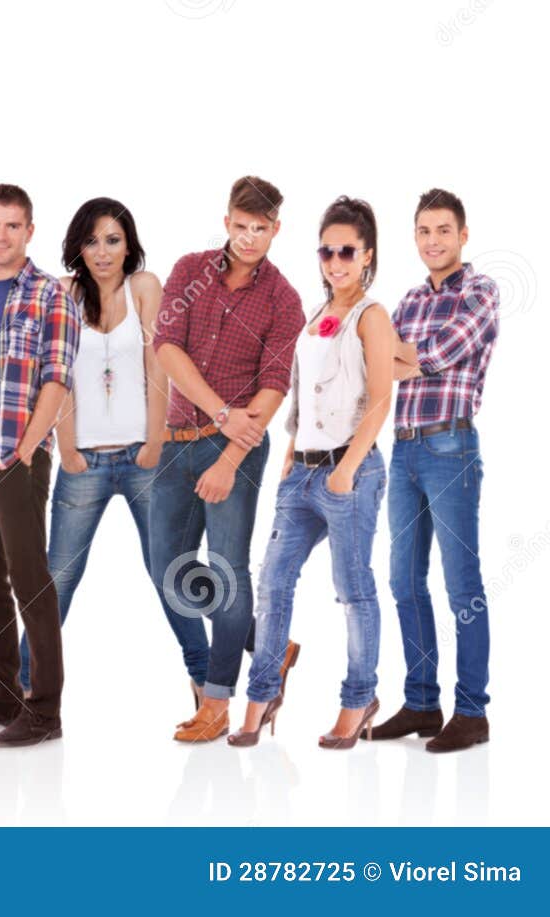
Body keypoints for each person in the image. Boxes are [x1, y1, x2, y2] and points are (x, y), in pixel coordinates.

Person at [231, 197, 393, 749]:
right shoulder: (313, 315)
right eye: (327, 250)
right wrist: (288, 458)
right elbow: (300, 393)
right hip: (300, 474)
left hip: (350, 472)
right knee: (273, 585)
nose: (335, 261)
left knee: (352, 589)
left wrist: (347, 469)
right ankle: (261, 694)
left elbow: (380, 399)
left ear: (366, 254)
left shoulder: (371, 316)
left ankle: (359, 699)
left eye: (347, 250)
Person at [151, 176, 305, 743]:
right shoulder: (190, 270)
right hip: (180, 438)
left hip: (236, 449)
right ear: (227, 221)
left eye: (259, 229)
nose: (248, 238)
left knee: (228, 571)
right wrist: (218, 413)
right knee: (167, 567)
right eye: (240, 226)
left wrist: (230, 457)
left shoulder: (283, 299)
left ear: (275, 230)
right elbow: (167, 347)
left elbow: (272, 387)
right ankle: (269, 645)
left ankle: (216, 704)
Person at [31, 198, 179, 699]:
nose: (102, 251)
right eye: (92, 241)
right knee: (57, 580)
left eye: (112, 240)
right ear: (78, 246)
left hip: (143, 456)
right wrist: (66, 447)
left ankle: (209, 681)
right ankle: (26, 688)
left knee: (169, 572)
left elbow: (158, 366)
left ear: (128, 244)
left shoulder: (145, 287)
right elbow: (60, 373)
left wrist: (156, 440)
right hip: (84, 461)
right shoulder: (66, 293)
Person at [0, 184, 79, 748]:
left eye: (12, 226)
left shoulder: (51, 294)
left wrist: (27, 447)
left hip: (16, 455)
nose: (1, 236)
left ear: (29, 231)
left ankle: (44, 709)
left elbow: (58, 377)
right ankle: (1, 695)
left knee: (31, 582)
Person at [370, 189, 499, 753]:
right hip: (403, 452)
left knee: (461, 585)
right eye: (423, 231)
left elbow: (438, 354)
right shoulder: (407, 299)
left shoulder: (481, 291)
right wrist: (396, 359)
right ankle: (423, 701)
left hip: (451, 448)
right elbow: (381, 366)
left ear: (463, 235)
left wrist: (401, 357)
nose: (433, 241)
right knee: (402, 581)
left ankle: (471, 712)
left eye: (443, 230)